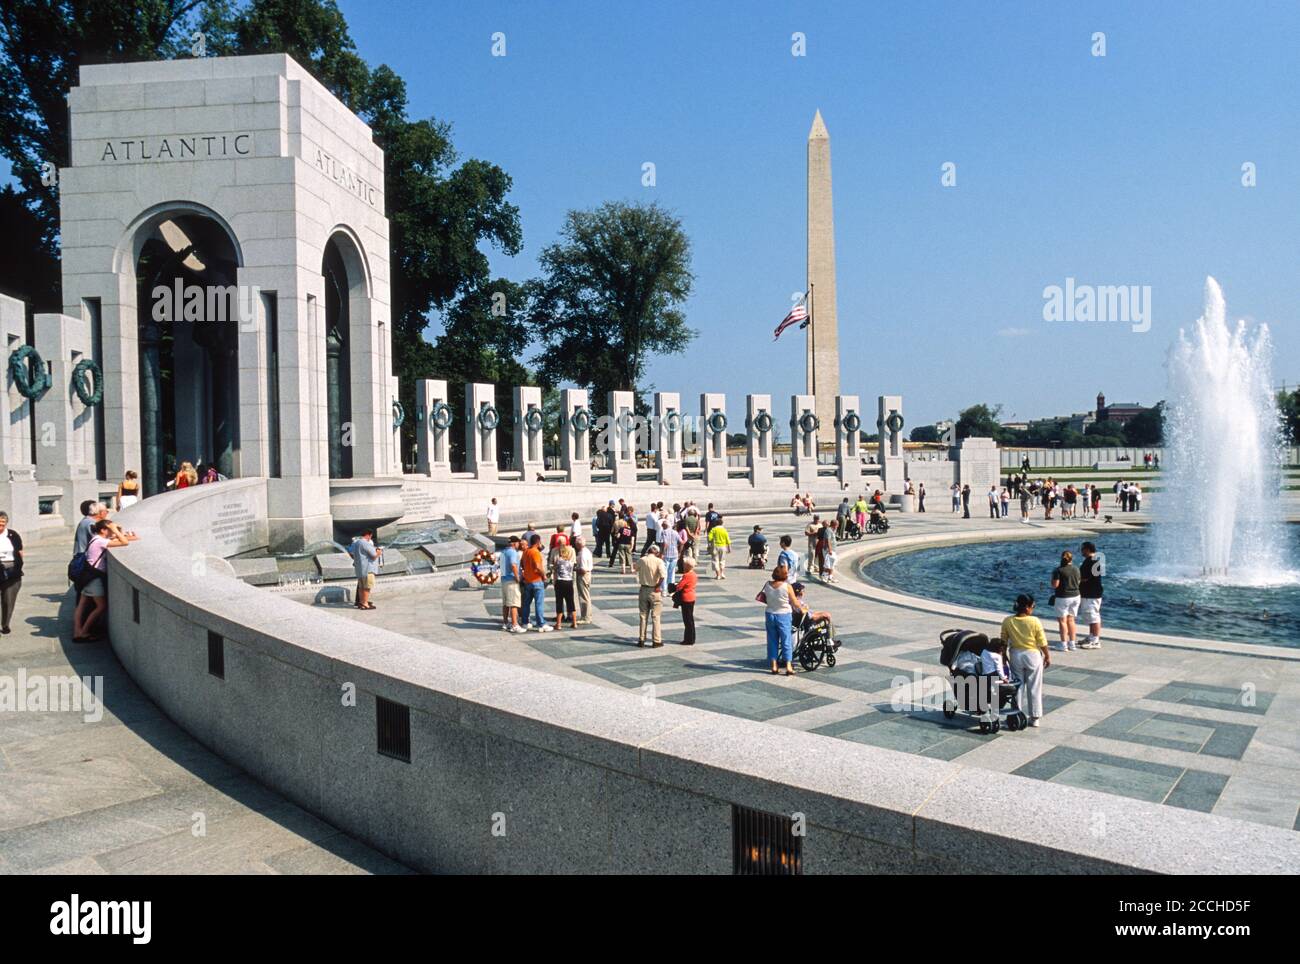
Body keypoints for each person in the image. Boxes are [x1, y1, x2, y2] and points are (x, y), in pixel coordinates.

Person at [72, 520, 129, 641]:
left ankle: (77, 631)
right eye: (109, 529)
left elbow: (122, 539)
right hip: (94, 579)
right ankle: (83, 632)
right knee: (101, 606)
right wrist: (115, 530)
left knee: (81, 604)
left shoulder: (95, 538)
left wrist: (118, 531)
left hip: (86, 576)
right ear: (103, 530)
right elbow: (124, 542)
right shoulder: (101, 542)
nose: (112, 531)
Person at [1001, 593, 1050, 727]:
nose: (1033, 609)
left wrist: (1004, 655)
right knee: (1034, 686)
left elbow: (1003, 640)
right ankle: (1034, 717)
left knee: (1017, 686)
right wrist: (1047, 655)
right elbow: (1042, 641)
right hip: (1033, 655)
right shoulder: (1034, 621)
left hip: (1016, 654)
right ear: (1027, 607)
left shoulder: (1008, 621)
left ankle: (1014, 714)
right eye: (1033, 606)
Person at [759, 564, 797, 676]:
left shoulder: (767, 584)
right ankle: (788, 666)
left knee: (772, 640)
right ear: (784, 575)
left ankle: (774, 665)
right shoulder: (787, 586)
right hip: (784, 615)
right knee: (786, 640)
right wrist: (803, 609)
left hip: (770, 614)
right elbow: (794, 602)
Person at [635, 544, 666, 647]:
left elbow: (635, 568)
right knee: (656, 616)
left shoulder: (642, 560)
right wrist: (658, 585)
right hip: (654, 590)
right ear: (656, 553)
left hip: (643, 589)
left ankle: (641, 639)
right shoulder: (659, 561)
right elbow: (662, 576)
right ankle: (656, 640)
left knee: (643, 615)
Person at [1050, 549, 1082, 651]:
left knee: (1062, 621)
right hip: (1076, 596)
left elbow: (1055, 585)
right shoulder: (1076, 569)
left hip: (1063, 597)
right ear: (1071, 559)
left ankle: (1063, 644)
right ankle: (1072, 644)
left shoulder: (1058, 570)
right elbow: (1079, 582)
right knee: (1071, 620)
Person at [0, 512, 25, 634]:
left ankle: (5, 624)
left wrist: (19, 567)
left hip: (11, 571)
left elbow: (20, 551)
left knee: (8, 600)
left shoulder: (13, 535)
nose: (0, 526)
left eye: (2, 523)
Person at [521, 534, 551, 632]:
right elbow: (538, 566)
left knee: (526, 603)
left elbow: (522, 564)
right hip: (537, 581)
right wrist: (544, 575)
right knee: (539, 603)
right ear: (538, 542)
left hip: (528, 581)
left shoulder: (526, 552)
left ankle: (525, 622)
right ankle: (541, 624)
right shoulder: (536, 552)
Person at [1078, 541, 1104, 650]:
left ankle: (1095, 641)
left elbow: (1085, 577)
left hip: (1092, 594)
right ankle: (1091, 636)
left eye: (1082, 549)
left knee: (1094, 617)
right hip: (1090, 592)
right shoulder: (1092, 561)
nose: (1081, 551)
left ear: (1088, 549)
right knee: (1090, 616)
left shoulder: (1092, 562)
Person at [499, 535, 524, 633]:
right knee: (514, 603)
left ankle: (505, 623)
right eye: (518, 543)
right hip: (511, 580)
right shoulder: (513, 552)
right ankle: (514, 624)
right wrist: (517, 577)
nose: (518, 544)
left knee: (505, 603)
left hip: (504, 579)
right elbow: (513, 565)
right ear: (514, 543)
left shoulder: (503, 552)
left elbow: (501, 566)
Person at [350, 529, 380, 611]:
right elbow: (373, 555)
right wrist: (379, 552)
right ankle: (365, 604)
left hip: (360, 569)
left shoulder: (356, 543)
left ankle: (362, 602)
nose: (371, 537)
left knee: (361, 587)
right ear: (368, 534)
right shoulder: (365, 543)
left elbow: (351, 553)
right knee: (367, 587)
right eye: (371, 536)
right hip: (368, 569)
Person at [552, 542, 578, 630]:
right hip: (569, 582)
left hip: (560, 582)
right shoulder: (571, 562)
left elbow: (554, 568)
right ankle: (574, 623)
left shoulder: (558, 560)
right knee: (571, 602)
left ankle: (558, 624)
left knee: (559, 602)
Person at [673, 557, 698, 645]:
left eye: (684, 564)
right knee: (690, 619)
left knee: (687, 620)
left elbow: (679, 586)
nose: (683, 566)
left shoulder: (687, 575)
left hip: (686, 598)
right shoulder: (694, 574)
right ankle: (691, 638)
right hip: (691, 597)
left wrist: (674, 586)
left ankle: (688, 639)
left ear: (687, 566)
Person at [574, 535, 594, 625]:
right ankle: (587, 615)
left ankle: (586, 617)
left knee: (584, 597)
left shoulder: (582, 554)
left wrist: (574, 569)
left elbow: (583, 569)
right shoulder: (587, 551)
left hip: (583, 576)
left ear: (578, 544)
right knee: (587, 596)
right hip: (588, 575)